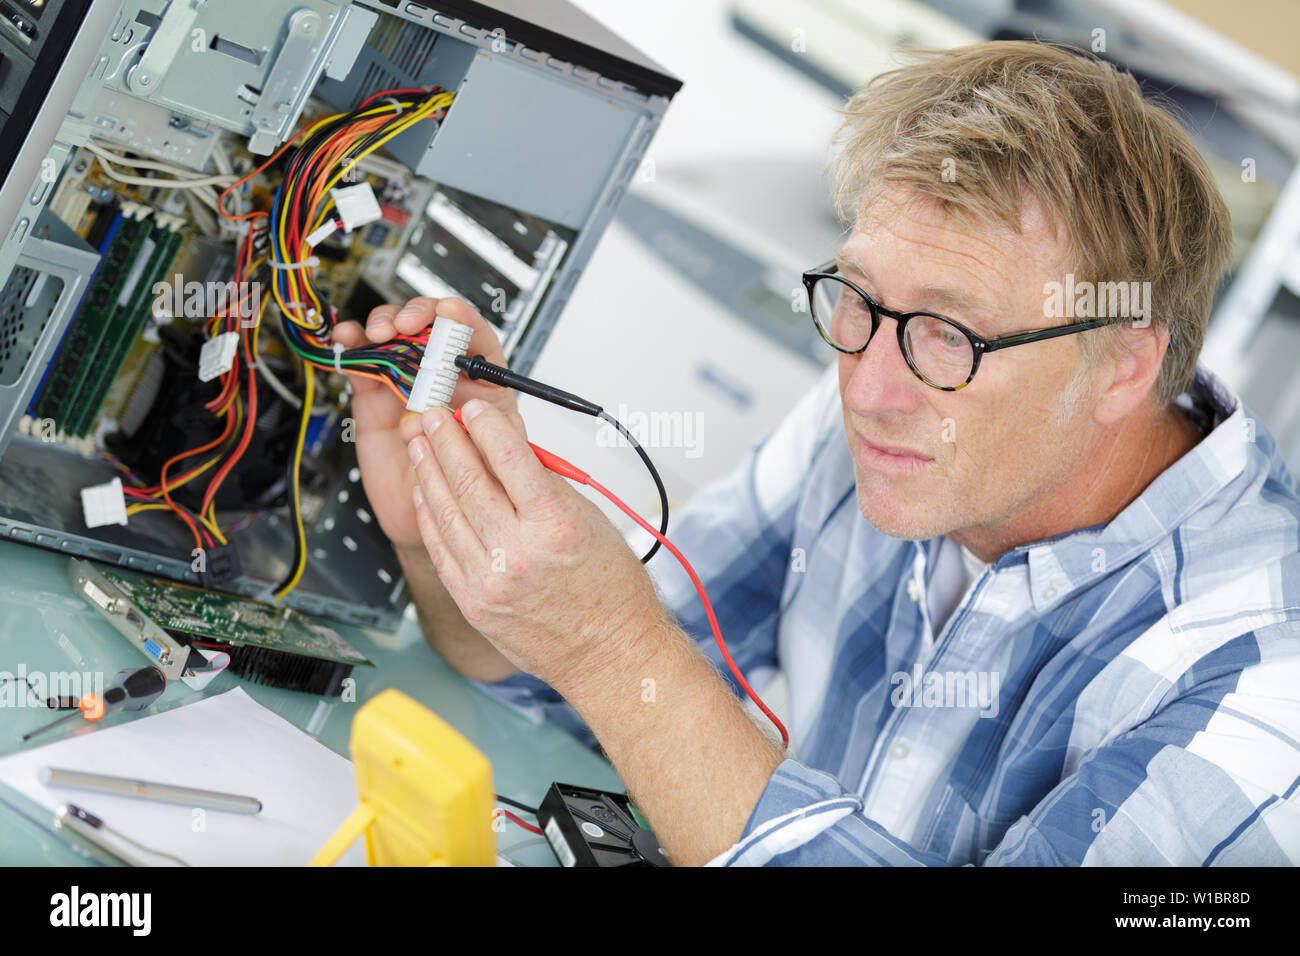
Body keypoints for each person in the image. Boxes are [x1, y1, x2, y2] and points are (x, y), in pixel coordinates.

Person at [331, 40, 1300, 866]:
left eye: (948, 333)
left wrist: (609, 639)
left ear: (1124, 364)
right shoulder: (893, 418)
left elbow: (615, 661)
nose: (869, 389)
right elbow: (572, 697)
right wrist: (444, 532)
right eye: (858, 296)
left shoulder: (1259, 687)